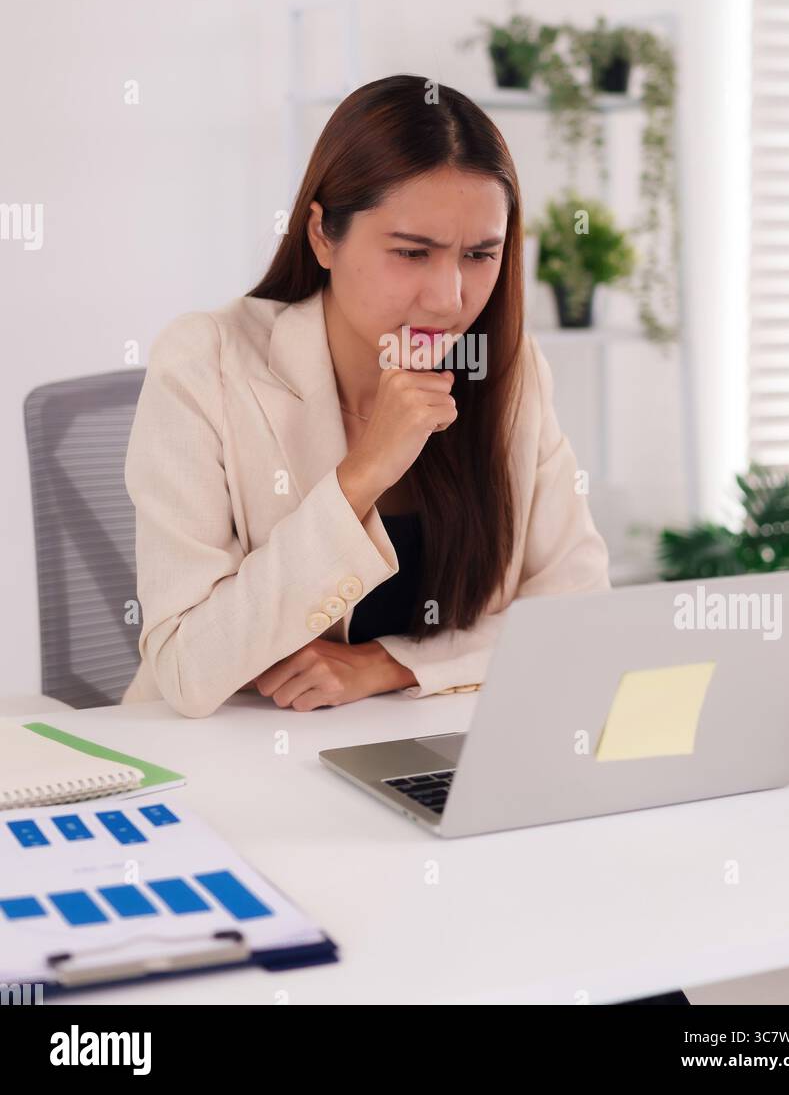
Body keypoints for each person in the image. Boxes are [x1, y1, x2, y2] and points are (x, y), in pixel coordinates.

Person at [122, 73, 611, 717]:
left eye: (480, 255)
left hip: (425, 746)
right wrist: (364, 474)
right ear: (323, 234)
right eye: (412, 253)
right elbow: (187, 665)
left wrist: (392, 666)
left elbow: (578, 611)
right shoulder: (203, 363)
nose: (450, 299)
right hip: (224, 762)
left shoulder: (508, 370)